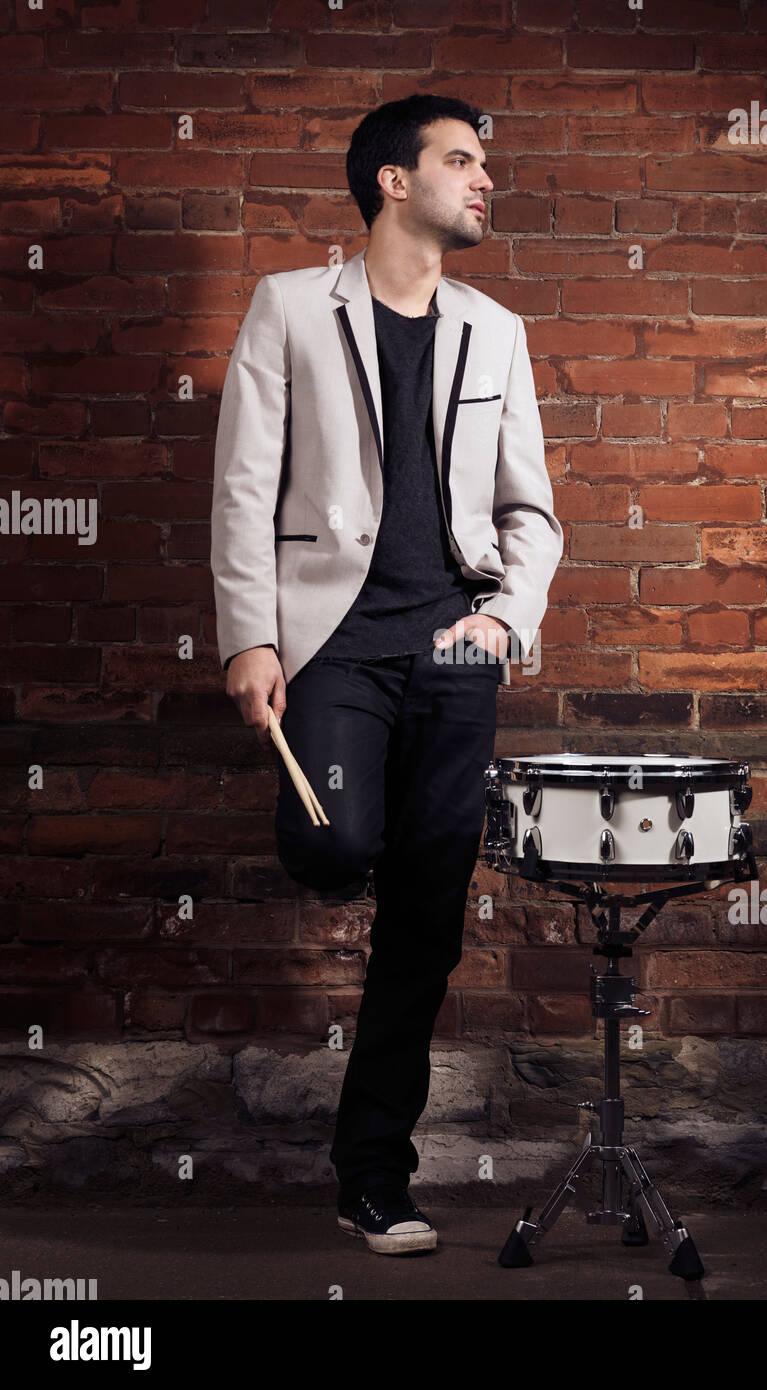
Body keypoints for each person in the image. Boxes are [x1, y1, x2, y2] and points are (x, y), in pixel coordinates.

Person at [209, 94, 563, 1255]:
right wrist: (248, 637)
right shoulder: (289, 308)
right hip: (333, 643)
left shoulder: (495, 329)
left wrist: (506, 620)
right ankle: (341, 833)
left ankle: (374, 1176)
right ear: (392, 182)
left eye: (483, 162)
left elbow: (527, 510)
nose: (484, 179)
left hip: (454, 652)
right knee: (334, 843)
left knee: (425, 921)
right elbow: (244, 488)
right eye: (461, 159)